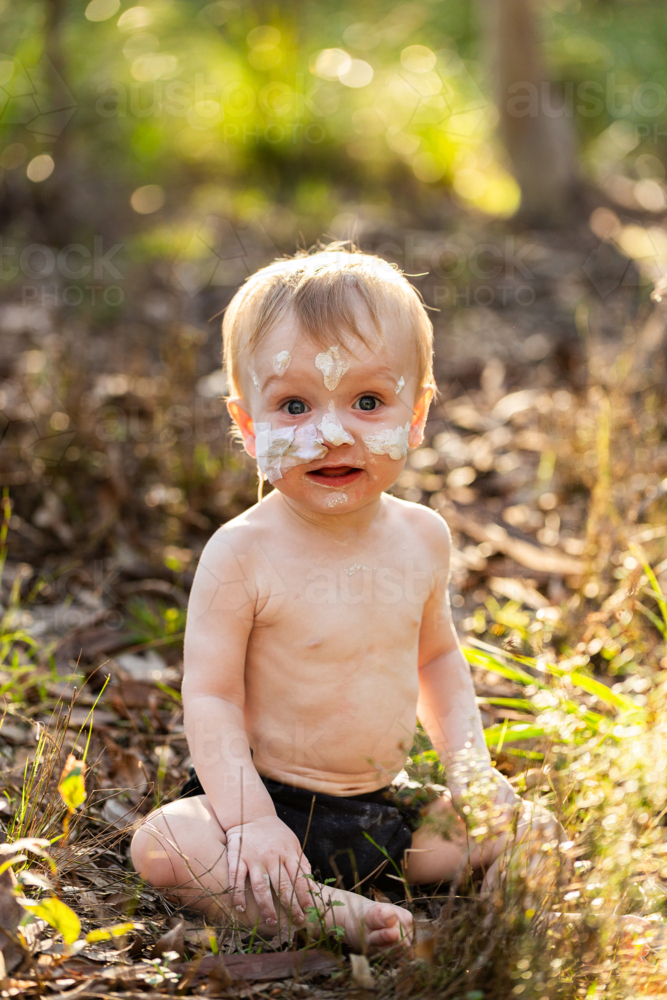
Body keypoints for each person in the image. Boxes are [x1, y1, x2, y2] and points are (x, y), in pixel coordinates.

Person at [131, 245, 558, 952]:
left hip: (387, 817)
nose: (331, 433)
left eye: (367, 401)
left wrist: (471, 776)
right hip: (262, 804)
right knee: (165, 845)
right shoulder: (241, 553)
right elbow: (210, 698)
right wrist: (248, 820)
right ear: (247, 427)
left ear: (415, 415)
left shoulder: (422, 537)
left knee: (524, 826)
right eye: (293, 405)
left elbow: (437, 662)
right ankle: (327, 911)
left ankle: (526, 919)